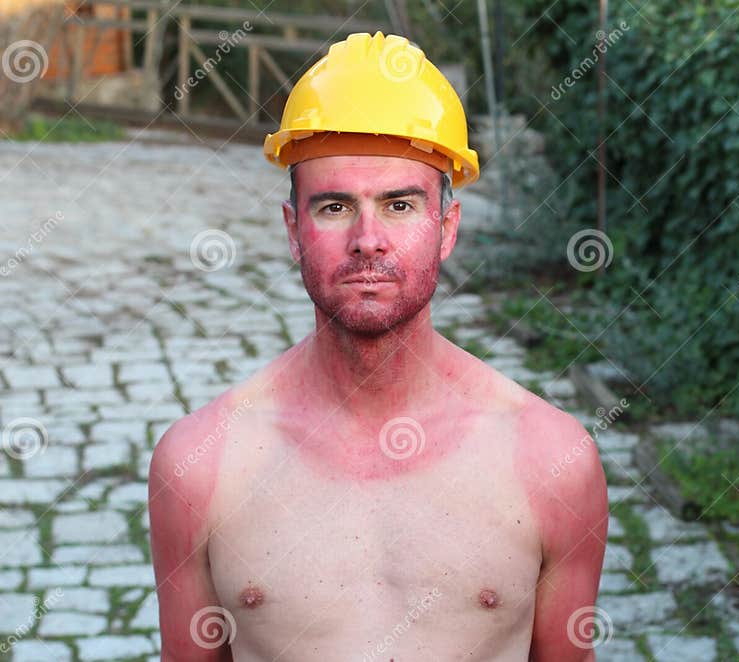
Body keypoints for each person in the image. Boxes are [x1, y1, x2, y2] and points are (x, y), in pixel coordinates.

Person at [149, 31, 608, 662]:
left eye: (399, 204)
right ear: (293, 231)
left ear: (447, 227)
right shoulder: (199, 468)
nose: (368, 239)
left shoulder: (553, 463)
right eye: (335, 206)